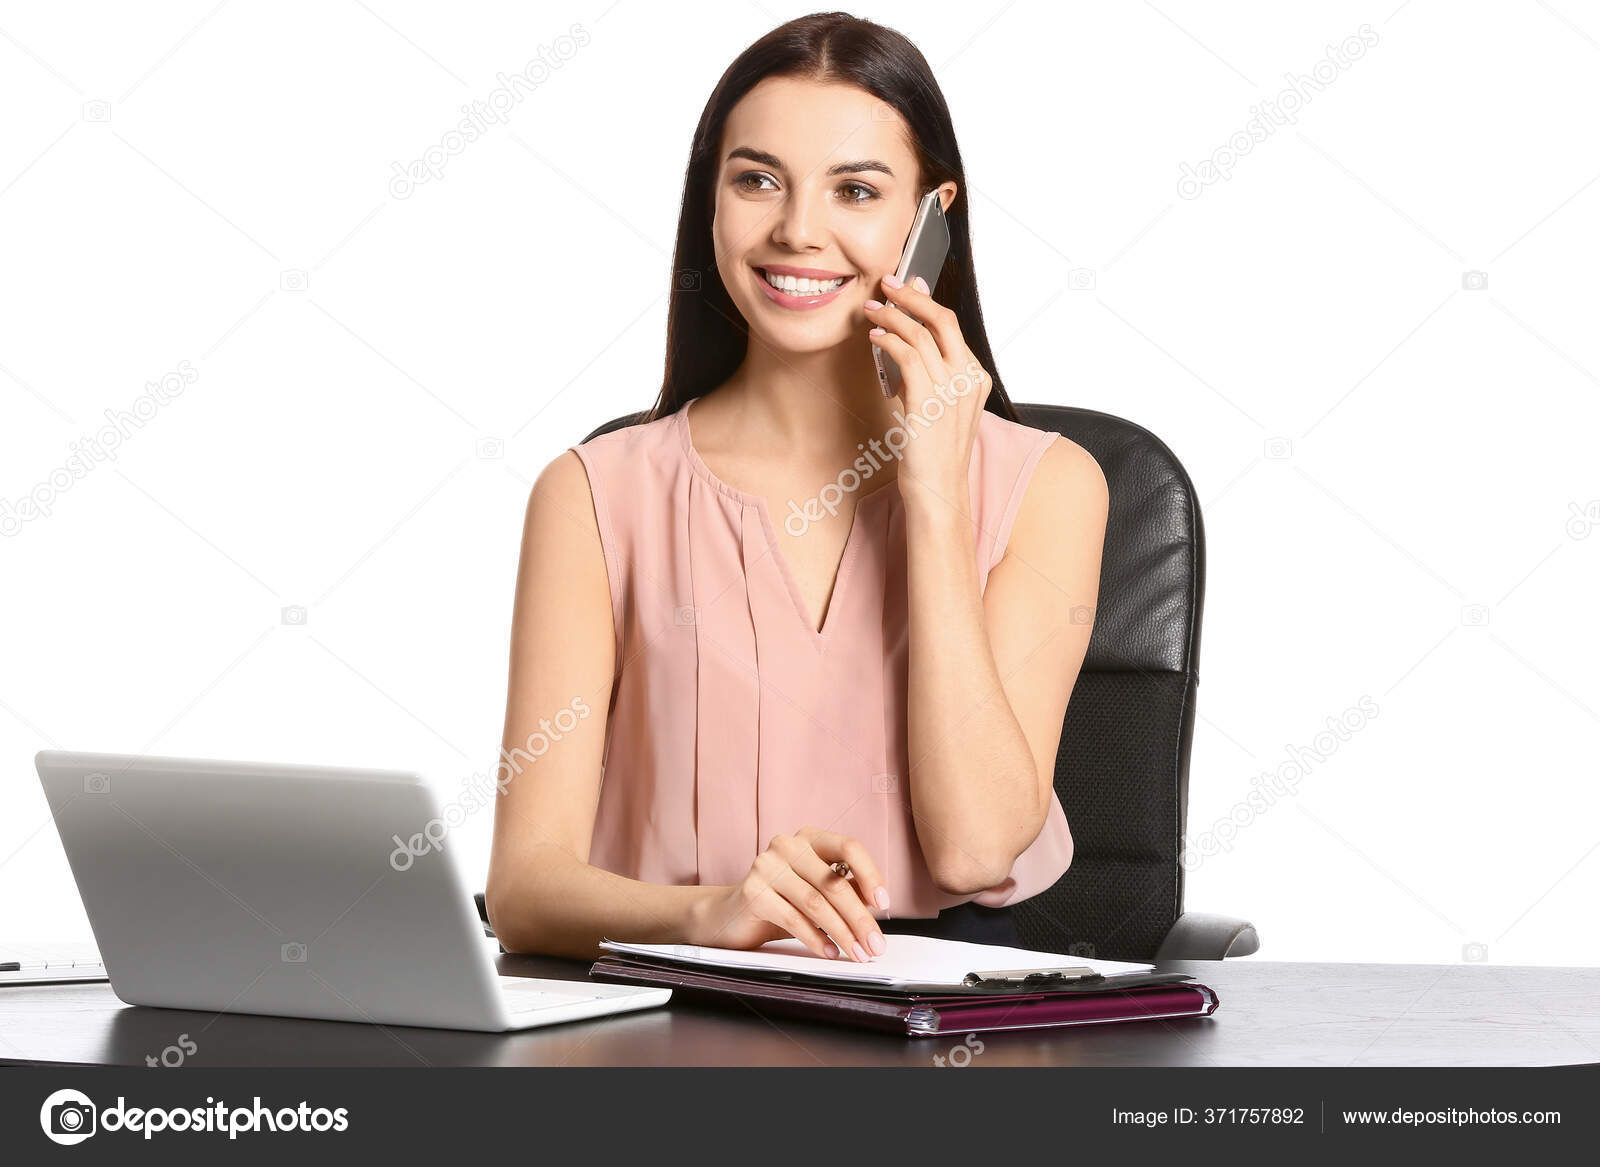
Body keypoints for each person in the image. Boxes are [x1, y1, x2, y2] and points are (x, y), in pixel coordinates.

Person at [486, 12, 1108, 961]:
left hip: (948, 1029)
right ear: (712, 203)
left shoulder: (1053, 486)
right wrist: (711, 915)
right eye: (757, 180)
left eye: (855, 190)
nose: (797, 230)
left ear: (930, 219)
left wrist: (934, 494)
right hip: (677, 1017)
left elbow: (977, 846)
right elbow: (526, 888)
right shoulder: (594, 495)